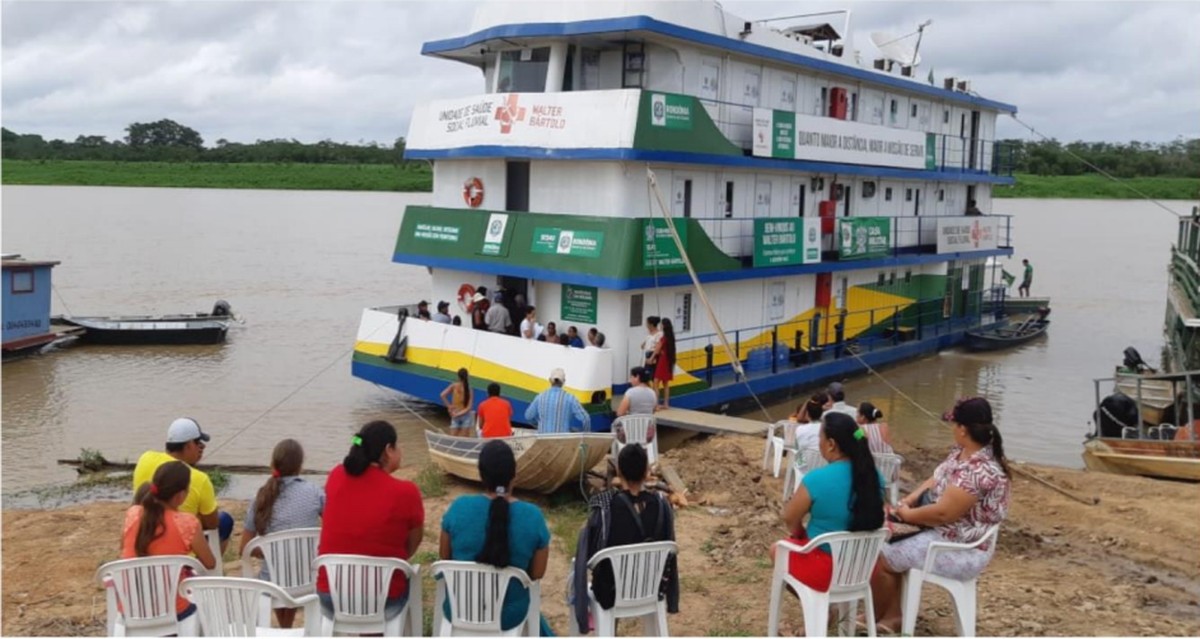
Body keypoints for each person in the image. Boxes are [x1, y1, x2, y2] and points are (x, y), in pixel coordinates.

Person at [870, 397, 1011, 634]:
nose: (952, 429)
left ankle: (887, 614)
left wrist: (907, 514)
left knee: (880, 555)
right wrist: (911, 498)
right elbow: (937, 477)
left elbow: (943, 513)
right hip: (945, 533)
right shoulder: (963, 452)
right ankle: (890, 612)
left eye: (954, 424)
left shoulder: (978, 471)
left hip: (960, 547)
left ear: (963, 430)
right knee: (884, 537)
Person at [440, 440, 553, 635]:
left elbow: (444, 558)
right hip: (508, 616)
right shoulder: (532, 516)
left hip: (460, 609)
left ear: (481, 475)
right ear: (514, 475)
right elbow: (537, 573)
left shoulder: (459, 508)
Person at [317, 421, 424, 623]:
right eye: (397, 446)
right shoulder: (406, 492)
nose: (400, 451)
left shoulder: (336, 475)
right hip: (384, 600)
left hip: (330, 596)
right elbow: (412, 544)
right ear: (388, 450)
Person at [571, 443, 679, 633]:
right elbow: (671, 551)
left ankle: (609, 631)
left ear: (619, 471)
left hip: (611, 593)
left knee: (604, 571)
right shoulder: (663, 505)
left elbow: (590, 555)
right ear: (647, 471)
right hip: (653, 589)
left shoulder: (604, 507)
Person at [774, 413, 884, 596]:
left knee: (777, 550)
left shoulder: (816, 479)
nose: (819, 443)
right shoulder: (874, 477)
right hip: (862, 568)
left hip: (827, 570)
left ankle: (818, 609)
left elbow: (790, 518)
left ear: (831, 444)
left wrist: (800, 534)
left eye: (820, 438)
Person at [239, 439, 324, 629]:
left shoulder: (259, 498)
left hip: (272, 584)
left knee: (277, 569)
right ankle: (287, 627)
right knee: (293, 566)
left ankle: (285, 627)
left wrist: (273, 551)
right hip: (307, 579)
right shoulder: (314, 492)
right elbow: (334, 525)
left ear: (273, 464)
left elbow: (244, 548)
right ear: (300, 465)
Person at [123, 461, 217, 624]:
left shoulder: (132, 514)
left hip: (131, 608)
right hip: (175, 611)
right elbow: (210, 563)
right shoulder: (188, 523)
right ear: (181, 495)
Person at [131, 417, 234, 552]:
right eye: (199, 443)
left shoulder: (145, 458)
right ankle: (210, 569)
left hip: (145, 533)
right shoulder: (199, 479)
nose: (202, 447)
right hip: (181, 548)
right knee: (225, 520)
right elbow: (212, 523)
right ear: (188, 445)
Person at [526, 368, 591, 433]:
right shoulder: (570, 398)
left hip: (543, 439)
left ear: (550, 380)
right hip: (562, 441)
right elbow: (586, 419)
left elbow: (528, 416)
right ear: (564, 381)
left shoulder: (540, 397)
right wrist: (585, 433)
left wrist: (538, 425)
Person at [440, 368, 475, 437]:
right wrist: (457, 413)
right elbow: (469, 407)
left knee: (453, 439)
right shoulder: (469, 389)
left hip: (455, 413)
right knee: (465, 439)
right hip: (464, 415)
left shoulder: (454, 386)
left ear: (458, 376)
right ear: (467, 377)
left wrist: (449, 406)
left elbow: (442, 395)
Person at [653, 319, 676, 408]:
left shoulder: (663, 338)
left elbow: (657, 350)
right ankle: (666, 403)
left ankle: (656, 404)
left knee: (656, 382)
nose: (660, 326)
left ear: (664, 326)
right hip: (668, 361)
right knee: (665, 383)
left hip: (662, 361)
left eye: (661, 325)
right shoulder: (670, 337)